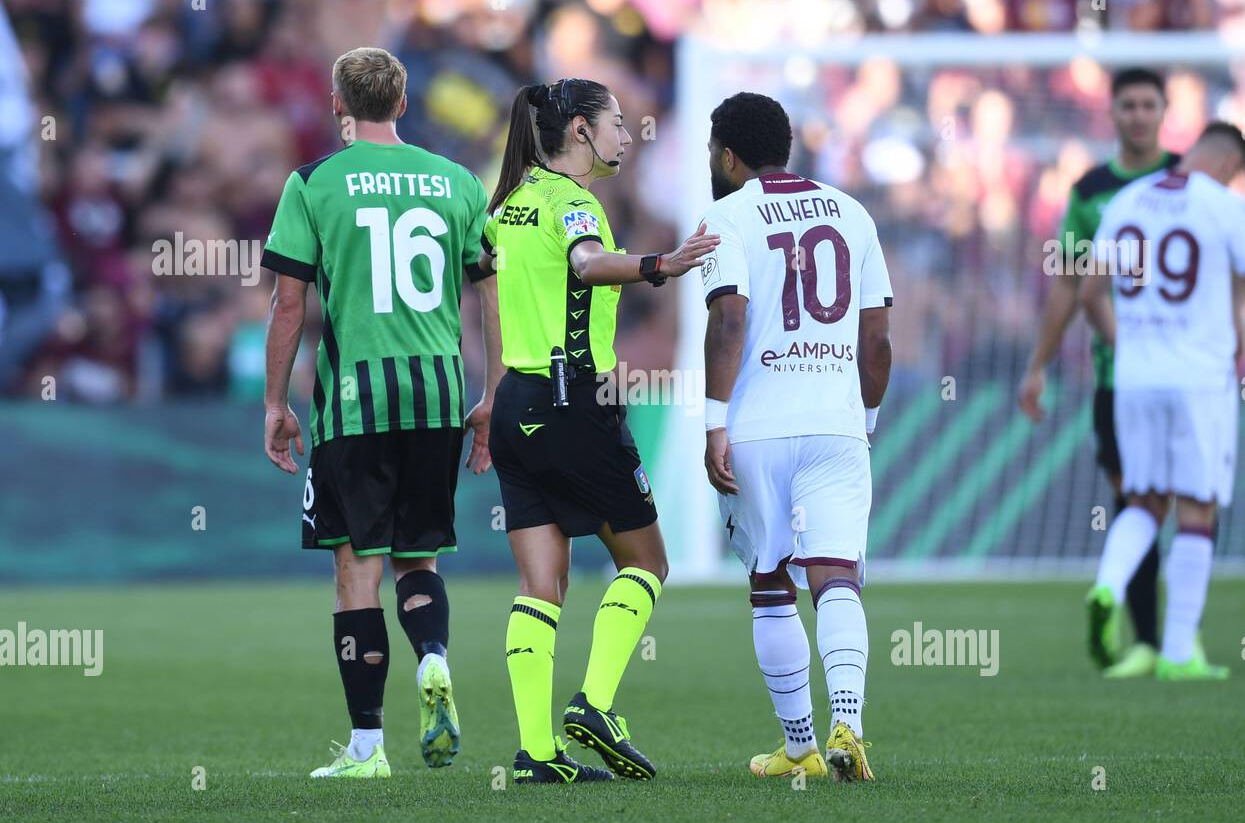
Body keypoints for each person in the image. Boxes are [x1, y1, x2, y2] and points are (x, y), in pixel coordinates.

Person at [261, 47, 502, 778]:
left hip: (356, 404)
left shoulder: (313, 184)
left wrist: (275, 402)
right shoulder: (457, 181)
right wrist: (489, 393)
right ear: (402, 105)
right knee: (417, 556)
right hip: (436, 396)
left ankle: (368, 749)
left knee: (354, 568)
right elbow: (488, 290)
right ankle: (433, 655)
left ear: (339, 105)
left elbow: (290, 302)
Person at [479, 79, 719, 784]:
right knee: (647, 563)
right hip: (575, 403)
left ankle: (536, 754)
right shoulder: (574, 202)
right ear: (580, 131)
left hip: (517, 403)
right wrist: (659, 266)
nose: (625, 135)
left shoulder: (511, 204)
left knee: (539, 587)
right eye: (616, 123)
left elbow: (491, 288)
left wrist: (491, 391)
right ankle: (594, 705)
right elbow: (586, 264)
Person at [699, 93, 893, 782]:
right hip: (836, 423)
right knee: (835, 573)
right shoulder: (853, 211)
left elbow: (728, 323)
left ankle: (801, 745)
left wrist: (714, 420)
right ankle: (850, 723)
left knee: (769, 577)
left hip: (756, 425)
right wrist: (863, 421)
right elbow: (877, 341)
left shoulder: (725, 215)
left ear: (727, 155)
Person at [1080, 121, 1245, 681]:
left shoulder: (1127, 199)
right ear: (1228, 165)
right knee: (1197, 506)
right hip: (1200, 379)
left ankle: (1107, 588)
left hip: (1136, 377)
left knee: (1143, 499)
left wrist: (1131, 345)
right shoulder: (1225, 206)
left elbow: (1091, 293)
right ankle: (1178, 651)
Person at [1018, 68, 1179, 677]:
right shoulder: (1089, 191)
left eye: (1148, 104)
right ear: (1112, 114)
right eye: (1128, 105)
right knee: (1134, 497)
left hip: (1184, 375)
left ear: (1164, 110)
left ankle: (1157, 636)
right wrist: (1038, 366)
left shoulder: (1188, 180)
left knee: (1168, 501)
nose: (1138, 115)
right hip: (1117, 377)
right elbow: (1067, 284)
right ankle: (1150, 641)